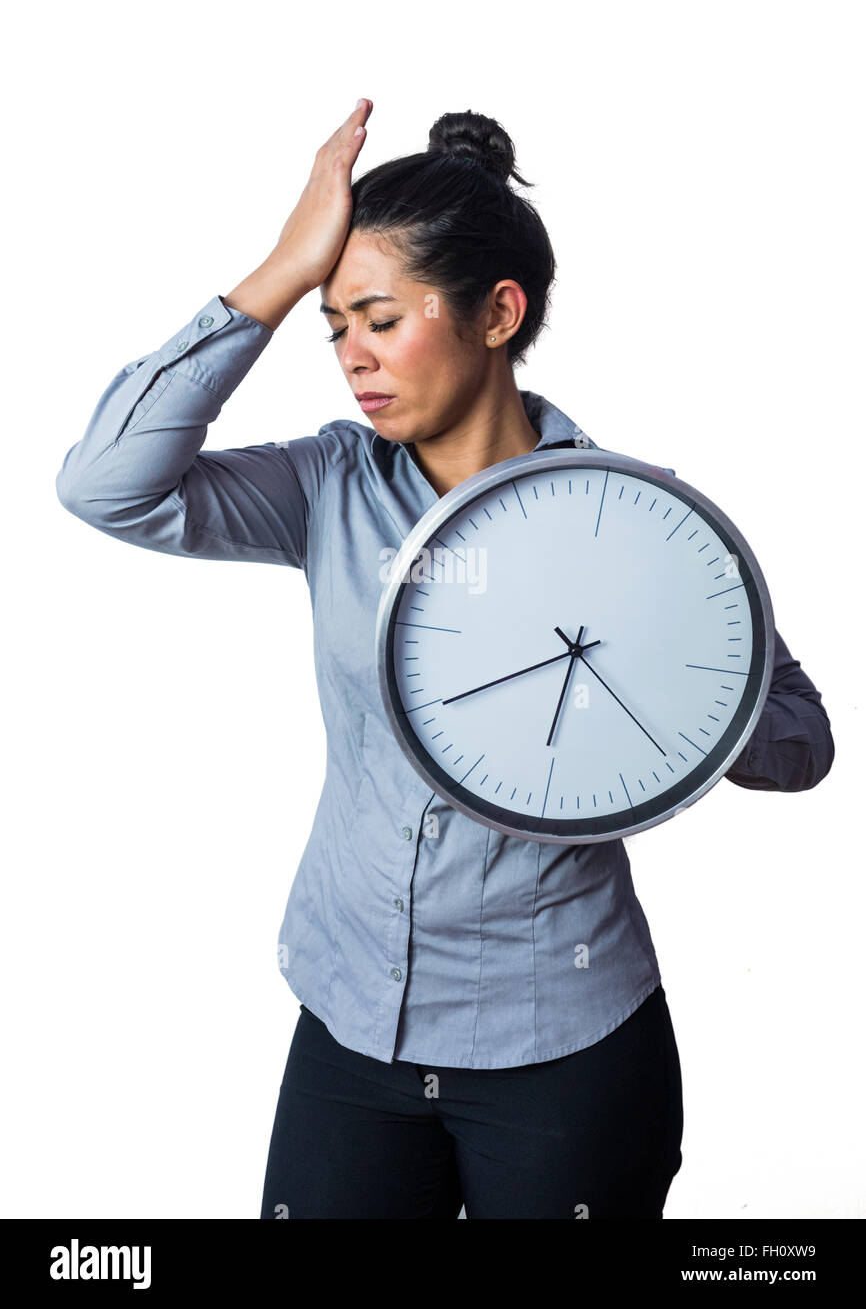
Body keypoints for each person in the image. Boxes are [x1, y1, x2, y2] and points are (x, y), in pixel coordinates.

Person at [56, 100, 835, 1219]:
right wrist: (278, 273)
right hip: (348, 1026)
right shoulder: (327, 485)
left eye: (376, 316)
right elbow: (104, 486)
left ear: (496, 314)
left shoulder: (634, 520)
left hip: (560, 1047)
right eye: (333, 327)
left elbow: (801, 747)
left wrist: (674, 693)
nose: (350, 359)